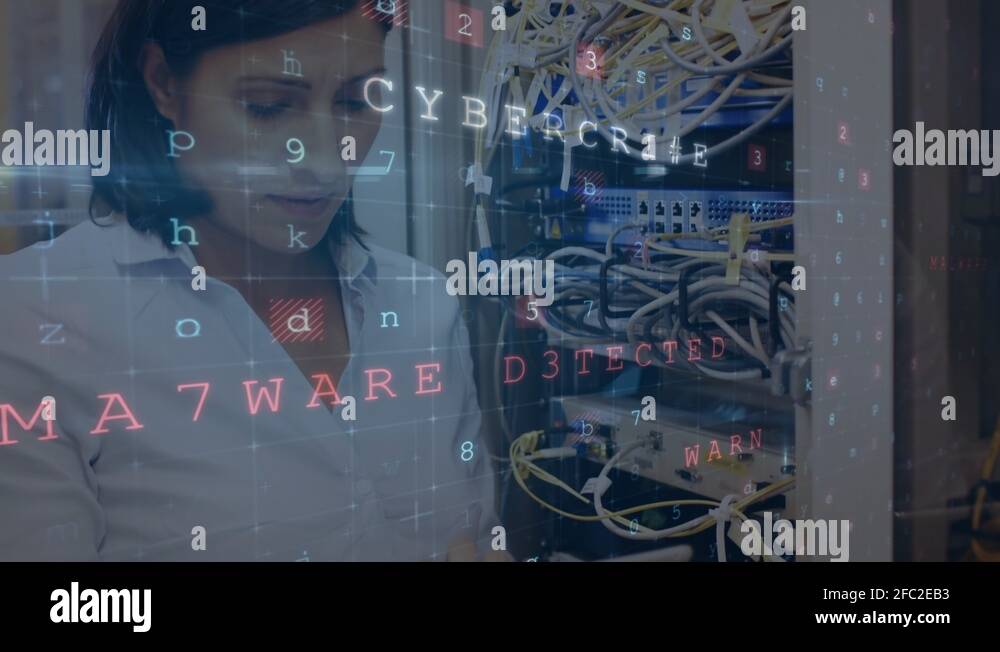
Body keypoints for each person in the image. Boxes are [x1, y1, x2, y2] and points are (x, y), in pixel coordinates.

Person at [0, 0, 501, 561]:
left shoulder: (422, 304)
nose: (323, 160)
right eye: (267, 107)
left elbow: (469, 538)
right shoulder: (34, 317)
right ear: (164, 83)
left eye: (356, 101)